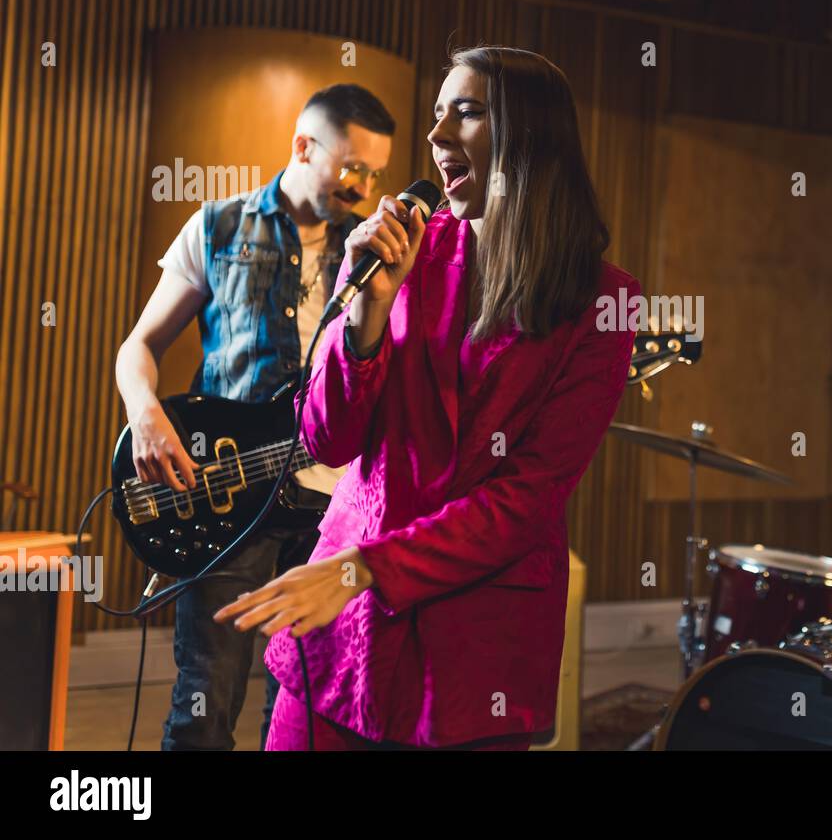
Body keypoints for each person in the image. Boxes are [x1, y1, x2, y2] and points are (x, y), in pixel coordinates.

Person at [214, 47, 640, 750]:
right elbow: (325, 440)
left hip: (476, 656)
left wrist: (369, 567)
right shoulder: (407, 252)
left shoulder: (604, 303)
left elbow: (524, 501)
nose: (437, 137)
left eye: (466, 113)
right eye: (437, 114)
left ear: (529, 135)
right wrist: (365, 317)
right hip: (339, 627)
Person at [115, 83, 396, 749]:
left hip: (333, 511)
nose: (364, 186)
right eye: (353, 167)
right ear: (304, 146)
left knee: (299, 711)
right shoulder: (216, 226)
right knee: (204, 707)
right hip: (228, 499)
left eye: (376, 173)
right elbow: (139, 348)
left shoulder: (374, 252)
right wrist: (146, 413)